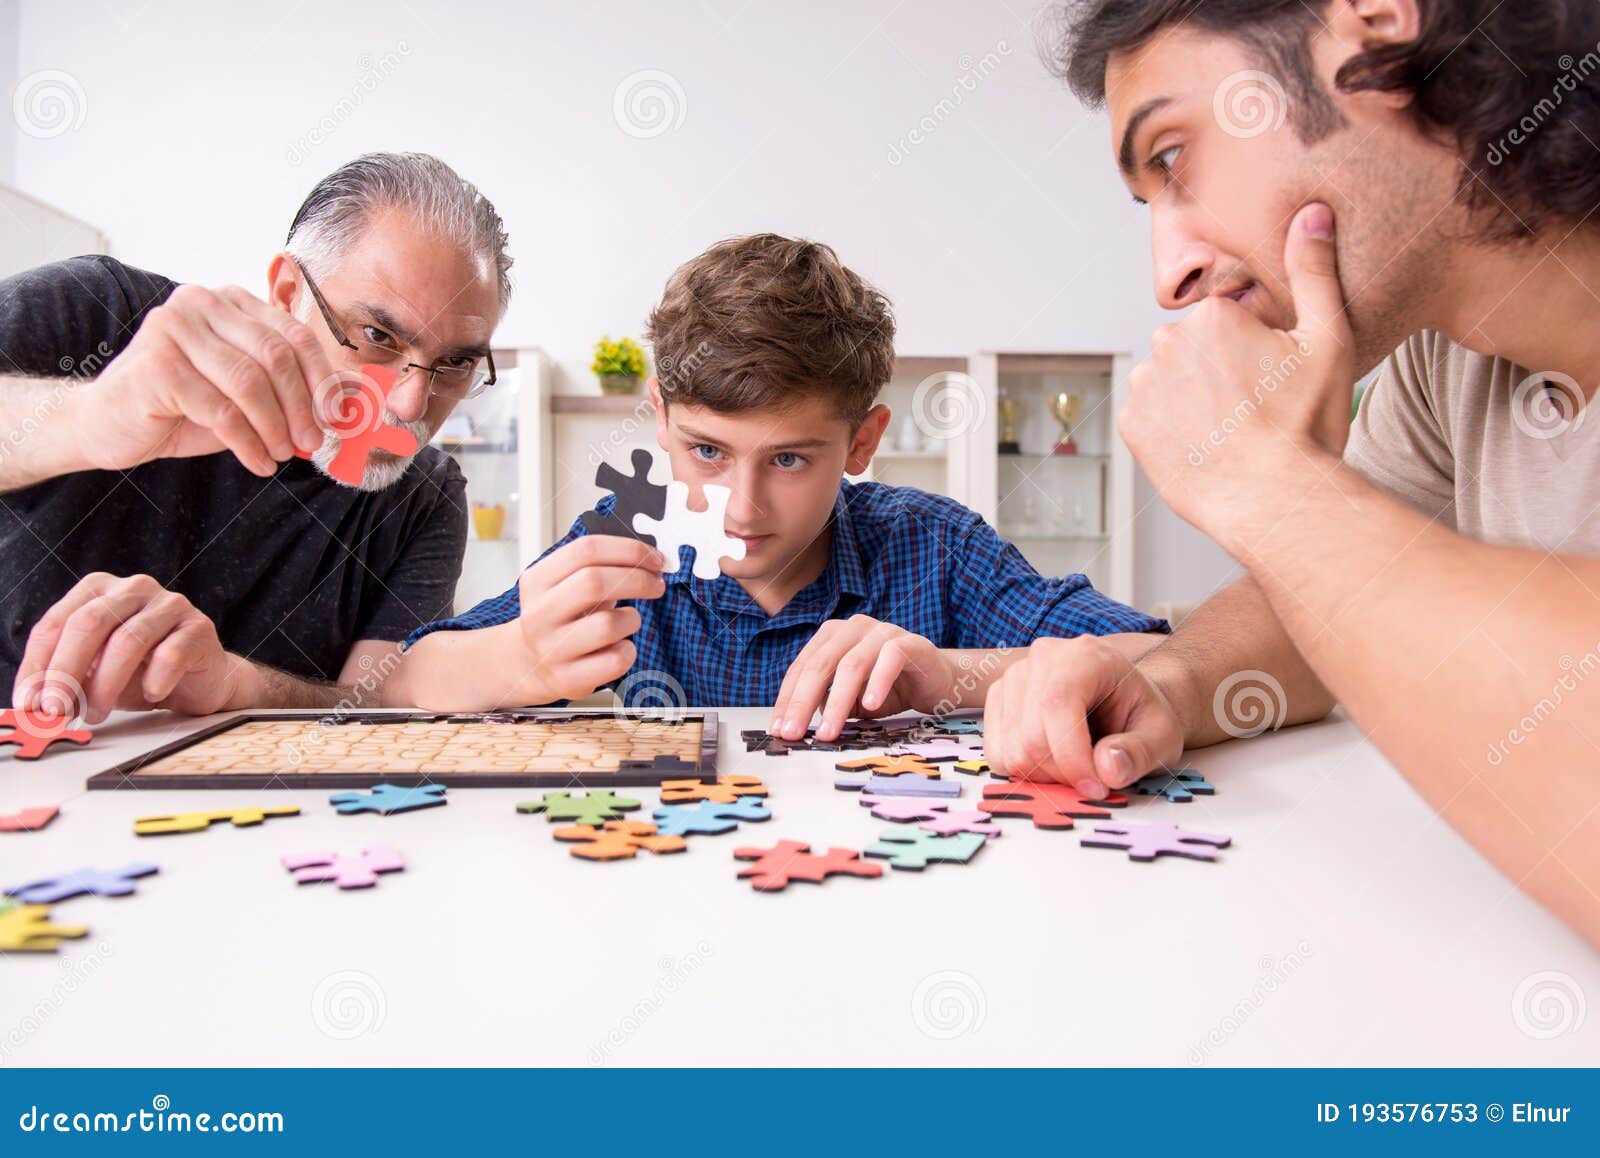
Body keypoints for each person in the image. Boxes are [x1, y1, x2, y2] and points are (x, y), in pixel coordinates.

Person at [986, 0, 1600, 946]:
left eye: (1175, 156)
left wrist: (1267, 486)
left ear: (1380, 22)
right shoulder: (1443, 363)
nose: (1171, 275)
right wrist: (1174, 689)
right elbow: (1329, 603)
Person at [383, 233, 1166, 732]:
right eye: (708, 453)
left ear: (862, 443)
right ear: (659, 418)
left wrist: (948, 676)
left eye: (789, 459)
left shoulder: (935, 545)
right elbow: (393, 679)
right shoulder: (621, 545)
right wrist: (518, 653)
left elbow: (1156, 657)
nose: (743, 508)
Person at [0, 151, 511, 723]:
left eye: (456, 364)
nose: (409, 404)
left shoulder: (425, 498)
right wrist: (87, 418)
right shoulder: (97, 314)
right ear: (289, 292)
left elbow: (376, 709)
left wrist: (237, 684)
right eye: (376, 335)